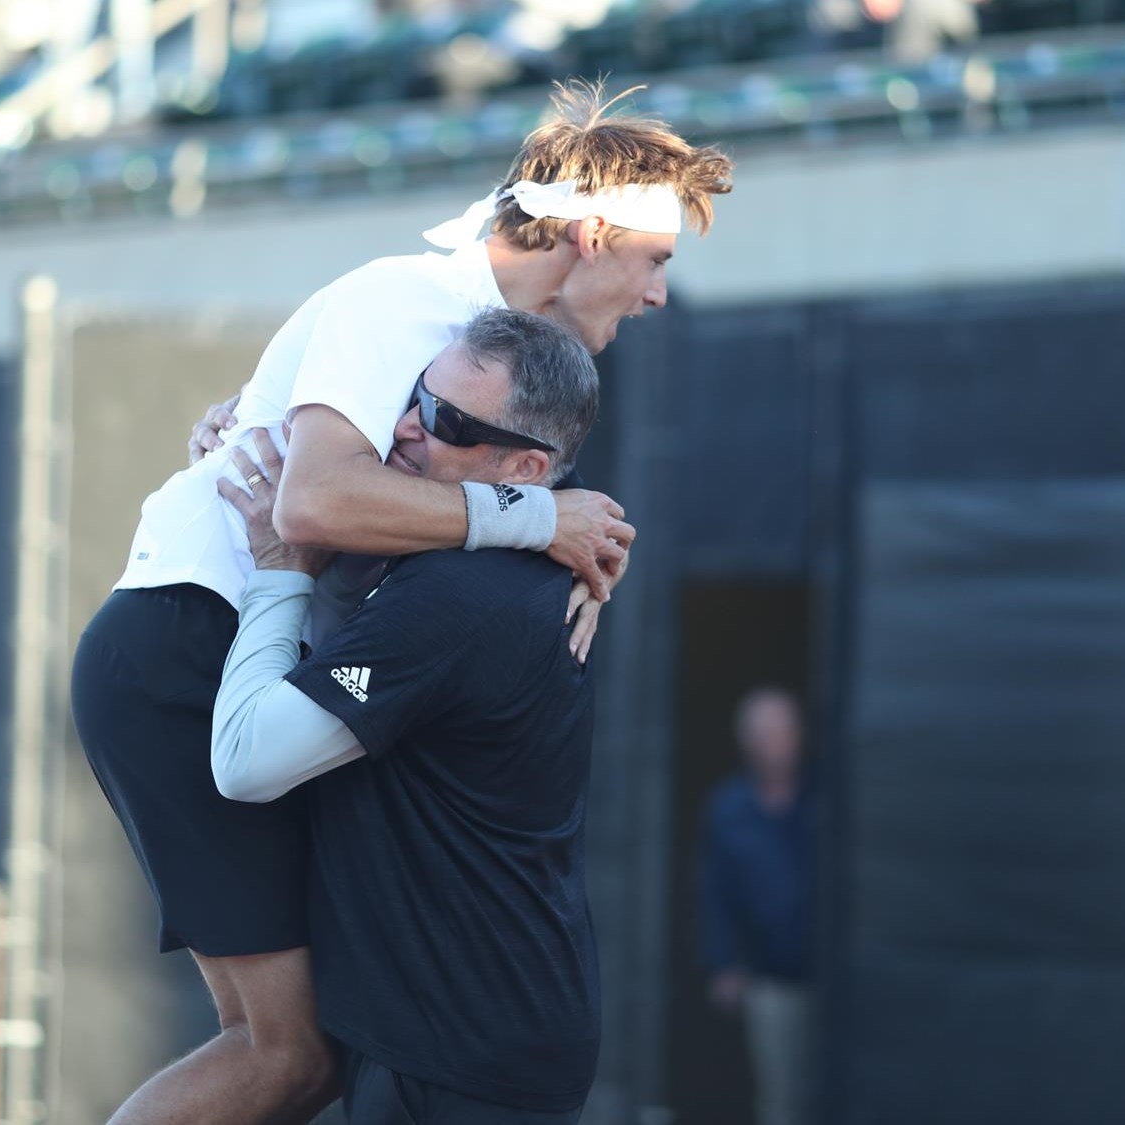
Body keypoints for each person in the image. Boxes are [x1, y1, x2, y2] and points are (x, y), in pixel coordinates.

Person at [71, 81, 732, 1125]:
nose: (656, 294)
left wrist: (555, 538)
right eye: (655, 261)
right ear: (594, 233)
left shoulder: (462, 331)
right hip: (183, 646)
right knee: (282, 1052)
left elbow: (341, 493)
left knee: (315, 1048)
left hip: (247, 636)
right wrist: (533, 522)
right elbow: (314, 497)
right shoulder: (405, 301)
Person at [210, 308, 605, 1124]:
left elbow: (245, 759)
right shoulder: (472, 566)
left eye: (447, 421)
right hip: (466, 1037)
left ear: (528, 468)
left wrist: (280, 571)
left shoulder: (461, 598)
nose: (404, 427)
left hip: (460, 1059)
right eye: (415, 395)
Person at [700, 687, 817, 1125]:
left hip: (833, 980)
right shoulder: (729, 808)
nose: (774, 743)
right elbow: (714, 890)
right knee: (778, 1096)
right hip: (767, 977)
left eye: (782, 731)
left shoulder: (827, 799)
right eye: (763, 734)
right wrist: (724, 962)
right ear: (746, 742)